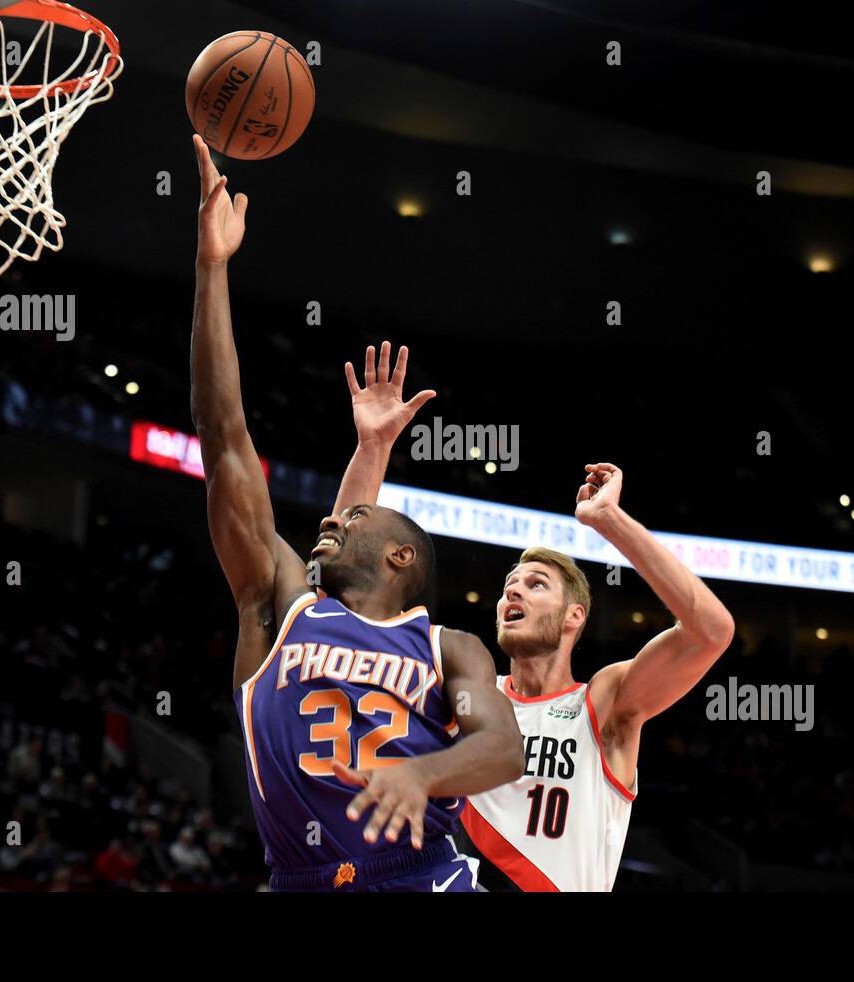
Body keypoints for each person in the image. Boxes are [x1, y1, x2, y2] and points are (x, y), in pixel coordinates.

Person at [189, 135, 522, 892]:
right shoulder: (278, 605)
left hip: (420, 875)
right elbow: (224, 436)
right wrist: (212, 269)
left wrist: (425, 776)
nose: (330, 523)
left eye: (354, 520)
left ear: (403, 556)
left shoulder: (450, 650)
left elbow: (502, 748)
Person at [336, 386, 735, 892]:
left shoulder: (605, 704)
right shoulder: (465, 691)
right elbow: (339, 605)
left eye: (535, 584)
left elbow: (711, 631)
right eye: (508, 586)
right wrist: (372, 449)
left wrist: (609, 522)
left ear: (574, 617)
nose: (512, 593)